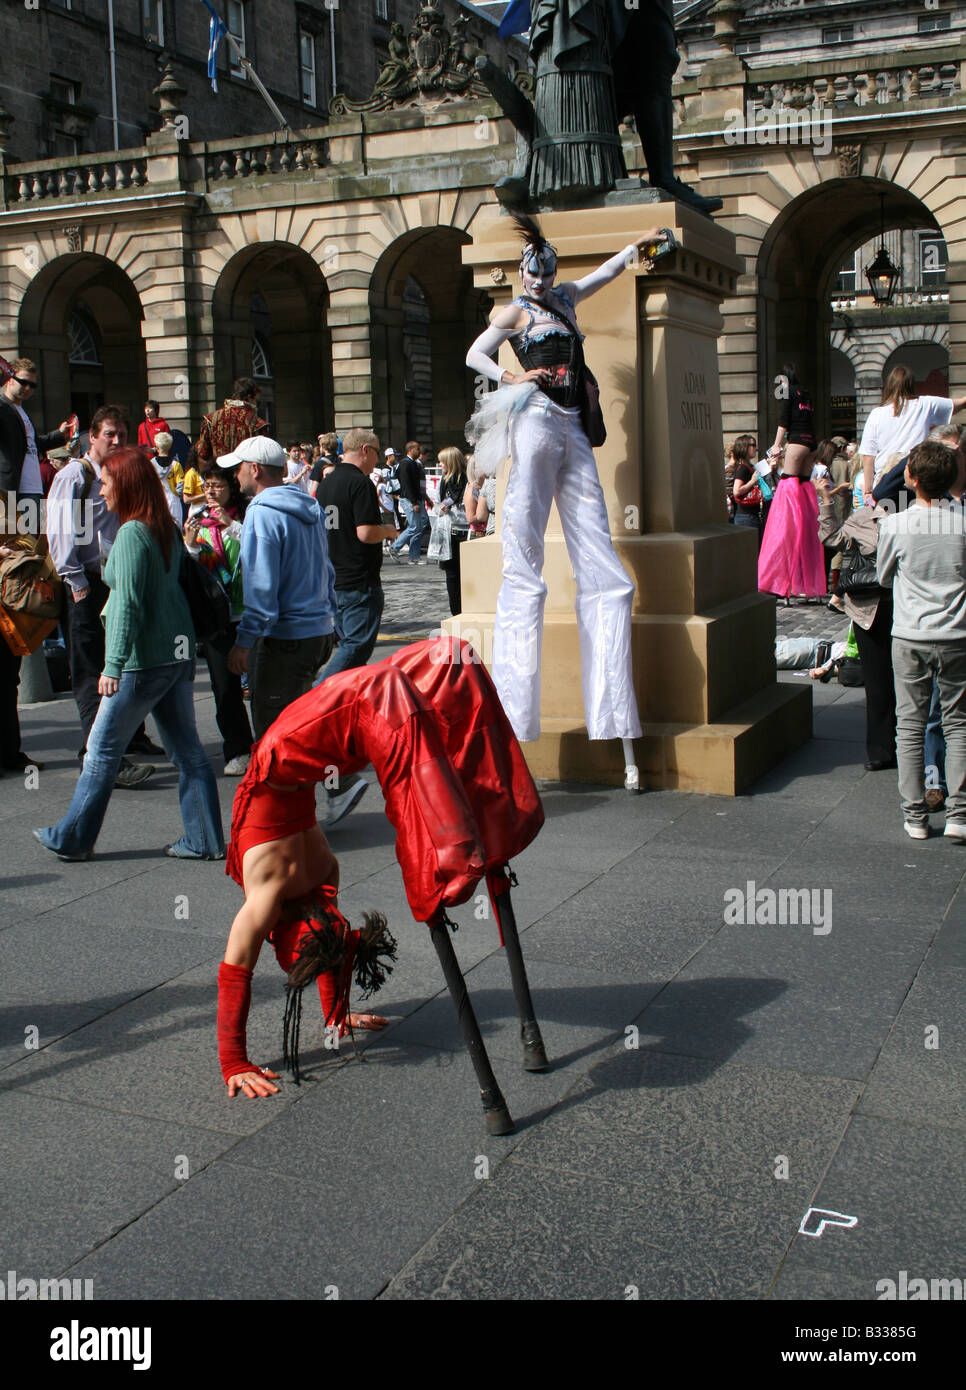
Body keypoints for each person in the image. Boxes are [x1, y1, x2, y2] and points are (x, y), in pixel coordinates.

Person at [465, 211, 668, 788]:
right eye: (534, 276)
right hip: (533, 422)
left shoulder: (566, 300)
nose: (540, 283)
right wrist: (510, 379)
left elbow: (607, 273)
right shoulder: (516, 310)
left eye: (547, 276)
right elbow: (477, 352)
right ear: (525, 273)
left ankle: (617, 725)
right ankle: (512, 726)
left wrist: (638, 245)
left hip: (573, 426)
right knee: (522, 566)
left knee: (605, 571)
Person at [33, 447, 225, 862]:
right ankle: (204, 839)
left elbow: (127, 606)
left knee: (101, 752)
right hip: (176, 653)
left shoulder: (133, 534)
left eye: (106, 482)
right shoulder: (165, 528)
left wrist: (112, 665)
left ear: (127, 485)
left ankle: (74, 839)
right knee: (188, 751)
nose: (101, 491)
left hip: (143, 660)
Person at [46, 405, 160, 786]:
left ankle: (133, 736)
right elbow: (61, 534)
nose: (115, 441)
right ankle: (98, 756)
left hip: (113, 578)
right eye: (109, 434)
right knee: (91, 670)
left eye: (122, 435)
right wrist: (76, 583)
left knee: (123, 659)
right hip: (85, 584)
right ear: (91, 436)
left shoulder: (118, 472)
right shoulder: (74, 475)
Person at [877, 440, 966, 840]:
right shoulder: (962, 521)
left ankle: (915, 815)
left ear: (911, 478)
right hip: (957, 634)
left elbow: (882, 576)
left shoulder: (896, 524)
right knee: (958, 724)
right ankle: (959, 814)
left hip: (910, 634)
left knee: (909, 726)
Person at [0, 356, 71, 774]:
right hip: (11, 507)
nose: (27, 390)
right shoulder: (2, 409)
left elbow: (32, 447)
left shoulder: (21, 415)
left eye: (32, 385)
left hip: (26, 508)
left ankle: (10, 751)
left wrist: (56, 436)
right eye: (22, 382)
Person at [815, 474, 895, 771]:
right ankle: (882, 750)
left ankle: (916, 749)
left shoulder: (922, 516)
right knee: (877, 682)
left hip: (907, 607)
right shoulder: (865, 516)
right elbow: (832, 538)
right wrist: (826, 500)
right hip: (869, 609)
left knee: (911, 683)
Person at [184, 465, 254, 776]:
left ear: (231, 488)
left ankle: (272, 744)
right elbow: (192, 571)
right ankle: (238, 749)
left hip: (248, 612)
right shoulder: (197, 521)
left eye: (218, 485)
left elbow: (260, 550)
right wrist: (190, 546)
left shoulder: (248, 515)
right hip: (216, 616)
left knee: (264, 686)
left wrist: (232, 526)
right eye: (208, 485)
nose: (211, 491)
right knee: (224, 689)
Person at [315, 427, 398, 679]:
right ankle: (319, 695)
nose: (377, 460)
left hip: (334, 575)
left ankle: (341, 702)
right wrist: (388, 530)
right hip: (359, 578)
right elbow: (365, 533)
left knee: (349, 642)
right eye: (375, 453)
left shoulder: (326, 484)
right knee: (356, 646)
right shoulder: (360, 483)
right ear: (365, 450)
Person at [757, 362, 826, 599]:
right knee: (805, 501)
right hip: (811, 444)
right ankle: (805, 580)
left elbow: (783, 421)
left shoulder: (786, 392)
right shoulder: (805, 393)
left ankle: (777, 577)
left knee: (785, 510)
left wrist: (776, 446)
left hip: (795, 442)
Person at [858, 365, 966, 502]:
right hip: (917, 477)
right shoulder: (925, 404)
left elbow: (868, 456)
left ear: (889, 385)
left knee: (889, 521)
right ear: (912, 385)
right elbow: (961, 403)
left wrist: (868, 490)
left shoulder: (876, 414)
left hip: (886, 480)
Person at [195, 377, 268, 465]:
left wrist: (209, 475)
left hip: (218, 475)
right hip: (246, 476)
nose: (256, 403)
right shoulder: (257, 424)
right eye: (256, 400)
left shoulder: (211, 419)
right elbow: (265, 458)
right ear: (249, 397)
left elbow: (201, 454)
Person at [436, 445, 470, 615]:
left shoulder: (467, 480)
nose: (440, 465)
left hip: (465, 532)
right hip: (448, 531)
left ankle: (468, 608)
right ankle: (455, 611)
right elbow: (437, 504)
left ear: (451, 462)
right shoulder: (443, 482)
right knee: (451, 575)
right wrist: (440, 509)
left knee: (467, 573)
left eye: (442, 462)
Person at [389, 440, 428, 564]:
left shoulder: (412, 464)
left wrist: (422, 499)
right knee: (414, 526)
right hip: (409, 499)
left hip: (414, 499)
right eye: (417, 449)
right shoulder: (406, 464)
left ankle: (414, 556)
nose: (419, 451)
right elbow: (407, 485)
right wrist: (414, 502)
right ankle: (395, 547)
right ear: (411, 450)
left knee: (418, 526)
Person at [731, 434, 763, 546]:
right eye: (753, 445)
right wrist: (752, 481)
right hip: (746, 517)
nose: (756, 448)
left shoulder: (749, 466)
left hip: (750, 515)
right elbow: (737, 491)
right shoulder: (743, 469)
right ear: (744, 447)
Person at [150, 432, 187, 530]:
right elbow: (180, 484)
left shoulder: (151, 464)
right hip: (173, 501)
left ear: (157, 447)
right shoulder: (176, 465)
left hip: (157, 500)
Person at [308, 432, 339, 499]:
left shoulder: (320, 464)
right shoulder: (342, 461)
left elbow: (314, 487)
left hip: (326, 499)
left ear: (323, 447)